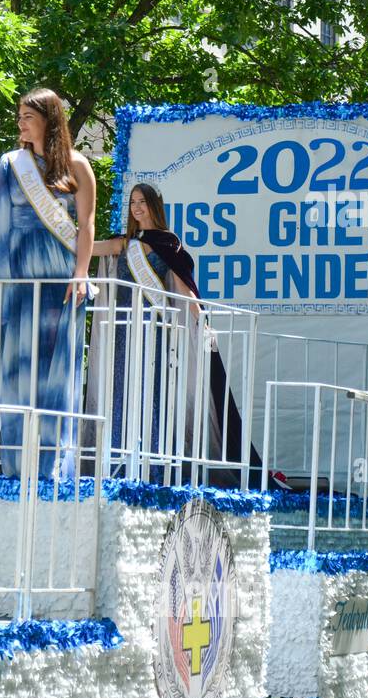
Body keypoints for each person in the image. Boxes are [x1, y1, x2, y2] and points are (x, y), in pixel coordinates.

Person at [0, 88, 96, 478]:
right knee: (16, 372)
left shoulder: (78, 165)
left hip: (61, 280)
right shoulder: (10, 164)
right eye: (19, 116)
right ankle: (16, 466)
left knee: (57, 375)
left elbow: (86, 225)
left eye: (27, 116)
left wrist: (82, 272)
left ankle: (53, 468)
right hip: (18, 283)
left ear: (49, 119)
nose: (20, 123)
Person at [92, 182, 258, 480]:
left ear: (154, 205)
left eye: (142, 201)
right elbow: (89, 249)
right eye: (132, 202)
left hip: (155, 332)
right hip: (124, 332)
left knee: (152, 392)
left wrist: (203, 323)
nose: (137, 207)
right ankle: (119, 462)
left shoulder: (169, 245)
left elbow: (185, 291)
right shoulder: (124, 242)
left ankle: (153, 465)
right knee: (122, 391)